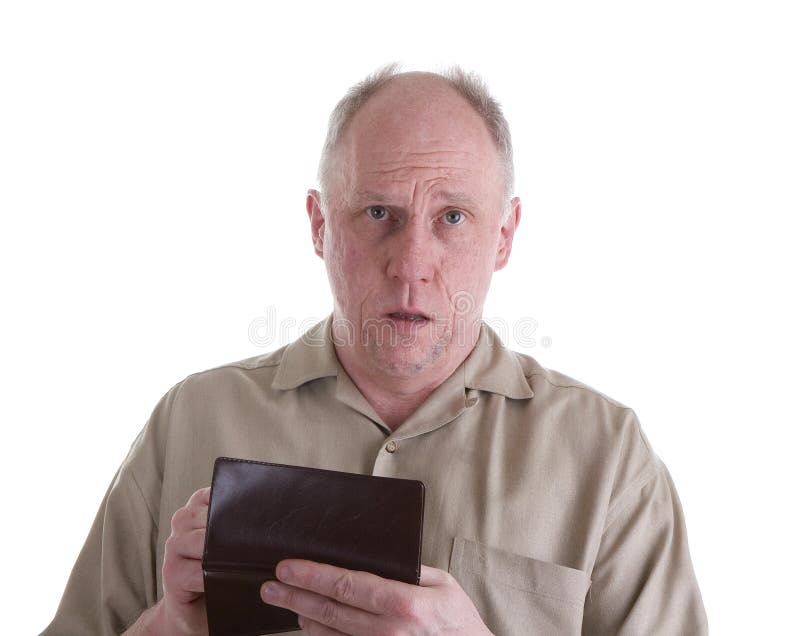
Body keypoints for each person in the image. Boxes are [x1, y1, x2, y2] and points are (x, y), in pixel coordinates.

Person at [41, 65, 708, 635]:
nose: (412, 265)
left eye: (452, 217)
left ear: (503, 236)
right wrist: (171, 624)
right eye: (378, 214)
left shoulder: (610, 455)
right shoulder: (191, 415)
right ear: (319, 225)